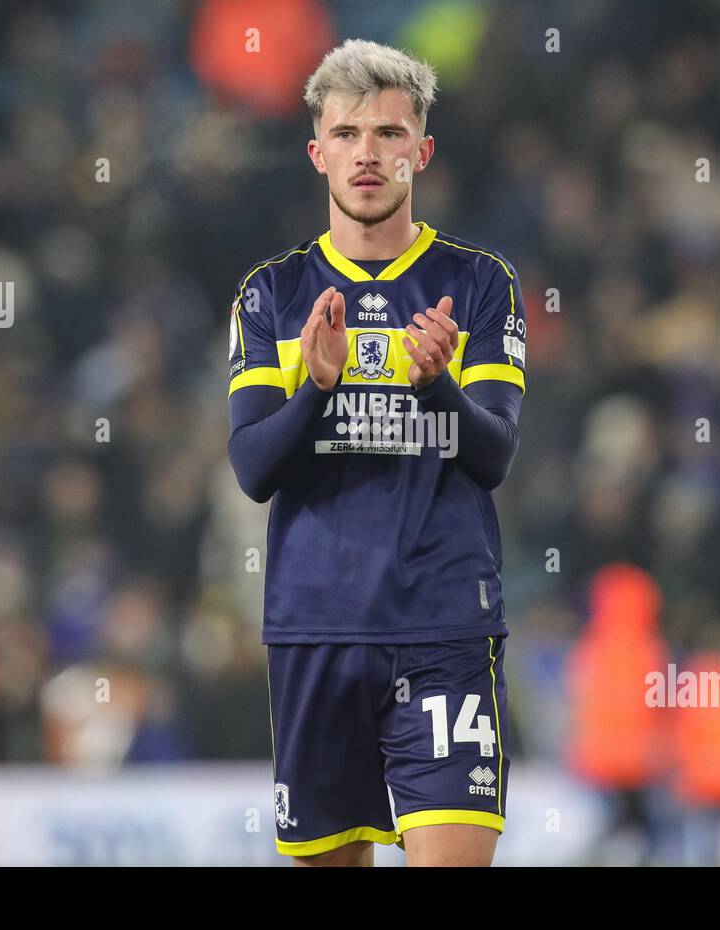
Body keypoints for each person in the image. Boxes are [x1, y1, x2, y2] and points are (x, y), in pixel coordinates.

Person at [225, 39, 528, 866]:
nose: (369, 153)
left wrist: (438, 386)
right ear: (316, 151)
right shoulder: (272, 294)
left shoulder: (478, 284)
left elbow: (495, 455)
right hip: (315, 628)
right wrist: (316, 388)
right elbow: (253, 468)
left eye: (391, 134)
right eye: (349, 133)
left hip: (444, 626)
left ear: (421, 152)